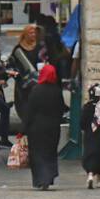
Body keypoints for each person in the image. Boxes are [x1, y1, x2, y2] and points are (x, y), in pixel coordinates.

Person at [24, 62, 66, 190]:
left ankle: (40, 179)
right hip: (52, 128)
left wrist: (23, 128)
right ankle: (48, 178)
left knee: (37, 153)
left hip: (36, 129)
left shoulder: (36, 90)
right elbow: (61, 109)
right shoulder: (57, 91)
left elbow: (29, 111)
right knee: (49, 153)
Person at [82, 81, 100, 189]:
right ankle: (99, 179)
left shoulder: (87, 107)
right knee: (98, 156)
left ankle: (90, 175)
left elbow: (82, 123)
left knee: (89, 155)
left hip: (89, 135)